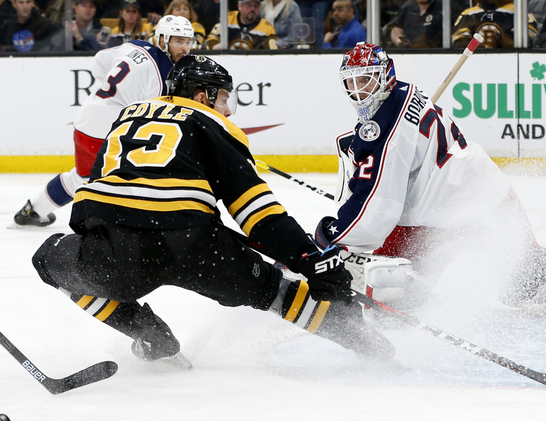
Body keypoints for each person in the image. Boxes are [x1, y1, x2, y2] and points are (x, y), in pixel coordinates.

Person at [30, 54, 394, 366]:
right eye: (223, 98)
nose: (228, 108)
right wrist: (310, 261)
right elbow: (257, 211)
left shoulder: (125, 117)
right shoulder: (213, 122)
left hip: (119, 253)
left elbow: (92, 198)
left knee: (49, 259)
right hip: (196, 248)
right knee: (277, 293)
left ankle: (149, 333)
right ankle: (367, 344)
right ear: (202, 96)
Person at [313, 42, 546, 320]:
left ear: (386, 75)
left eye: (366, 80)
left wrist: (330, 238)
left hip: (453, 219)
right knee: (523, 279)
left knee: (360, 266)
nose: (360, 90)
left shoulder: (383, 130)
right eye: (353, 82)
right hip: (490, 199)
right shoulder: (405, 94)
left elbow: (377, 208)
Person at [12, 15, 194, 228]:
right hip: (111, 135)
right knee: (132, 182)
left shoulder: (133, 46)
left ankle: (33, 210)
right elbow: (150, 118)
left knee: (81, 177)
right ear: (162, 40)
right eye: (179, 41)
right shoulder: (163, 74)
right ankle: (129, 229)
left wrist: (110, 97)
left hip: (86, 122)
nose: (185, 48)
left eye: (188, 41)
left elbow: (99, 60)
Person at [452, 0, 536, 48]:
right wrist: (479, 47)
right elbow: (458, 41)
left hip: (509, 61)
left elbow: (530, 38)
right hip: (475, 63)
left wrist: (511, 44)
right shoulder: (468, 13)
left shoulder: (518, 10)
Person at [205, 0, 278, 49]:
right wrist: (216, 46)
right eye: (248, 5)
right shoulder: (228, 19)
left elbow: (273, 51)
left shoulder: (267, 27)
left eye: (256, 6)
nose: (252, 9)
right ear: (239, 6)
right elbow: (212, 37)